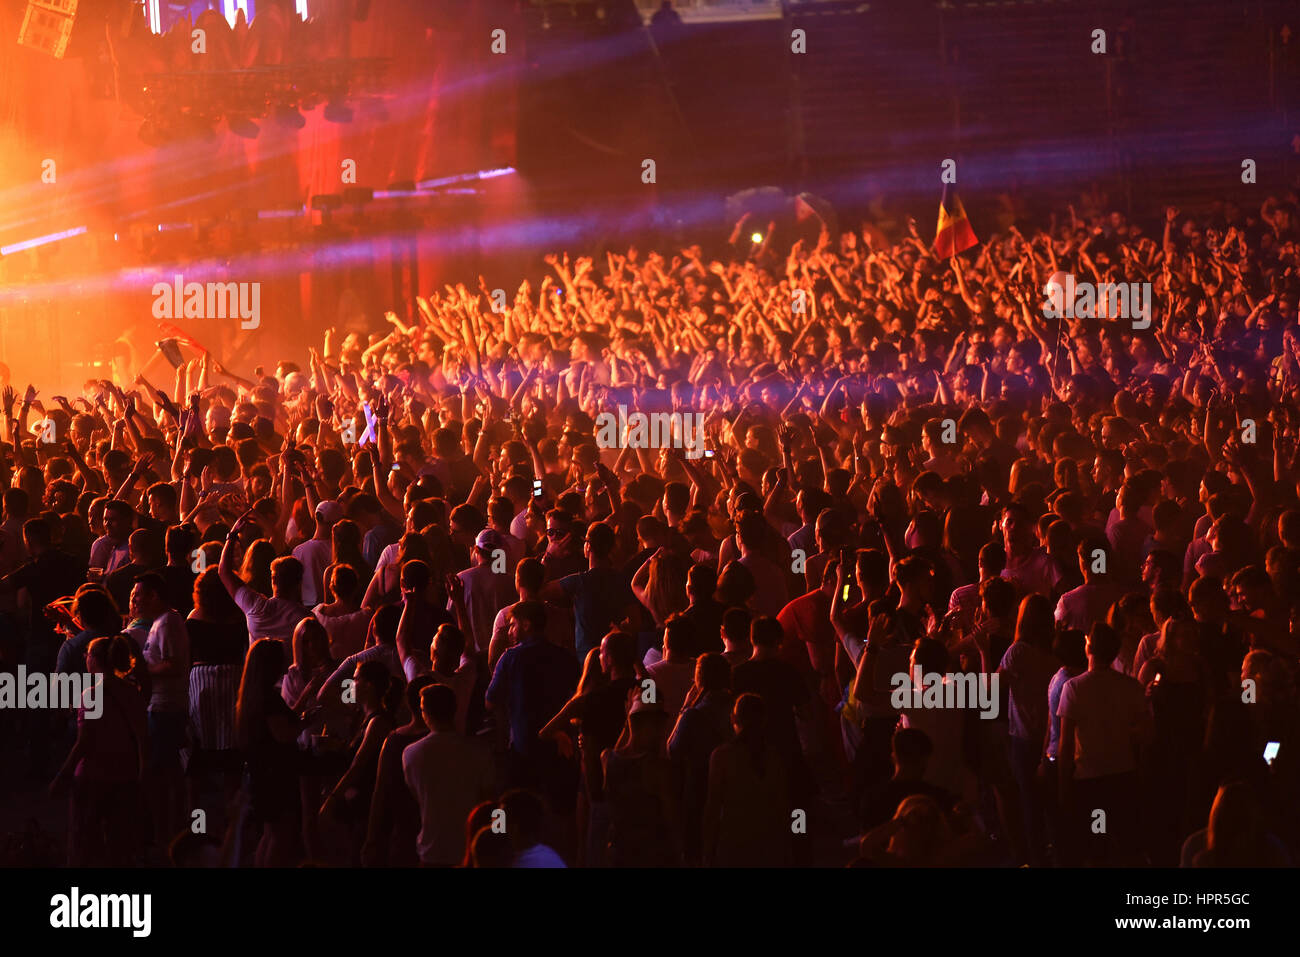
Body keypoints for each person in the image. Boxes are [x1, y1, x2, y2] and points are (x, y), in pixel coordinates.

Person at [1057, 622, 1152, 866]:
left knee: (1097, 844)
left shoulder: (1074, 688)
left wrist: (1063, 781)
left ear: (1088, 648)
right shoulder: (1130, 686)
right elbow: (1146, 733)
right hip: (1124, 775)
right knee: (1126, 843)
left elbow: (1066, 744)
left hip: (1090, 781)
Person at [402, 684, 495, 867]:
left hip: (432, 850)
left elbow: (415, 795)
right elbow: (490, 797)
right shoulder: (479, 751)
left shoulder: (411, 754)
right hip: (468, 848)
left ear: (425, 712)